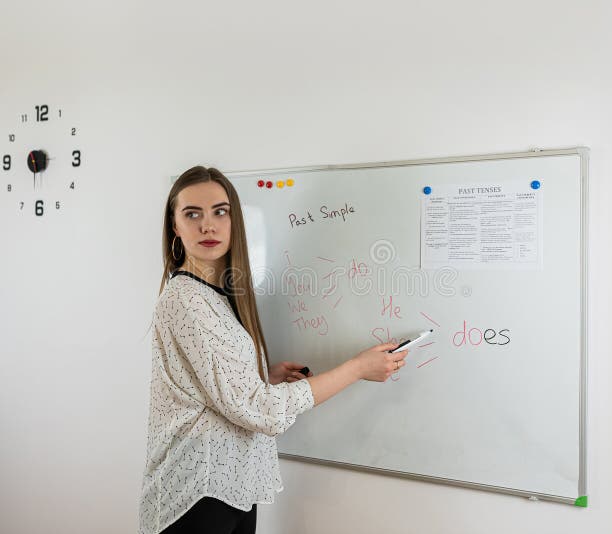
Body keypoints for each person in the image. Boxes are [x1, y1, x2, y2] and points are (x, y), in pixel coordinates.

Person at [139, 166, 409, 534]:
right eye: (192, 214)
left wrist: (263, 378)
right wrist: (357, 368)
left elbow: (216, 389)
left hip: (232, 486)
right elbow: (260, 411)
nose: (208, 226)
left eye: (220, 212)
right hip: (197, 495)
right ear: (175, 227)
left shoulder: (219, 295)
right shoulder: (187, 300)